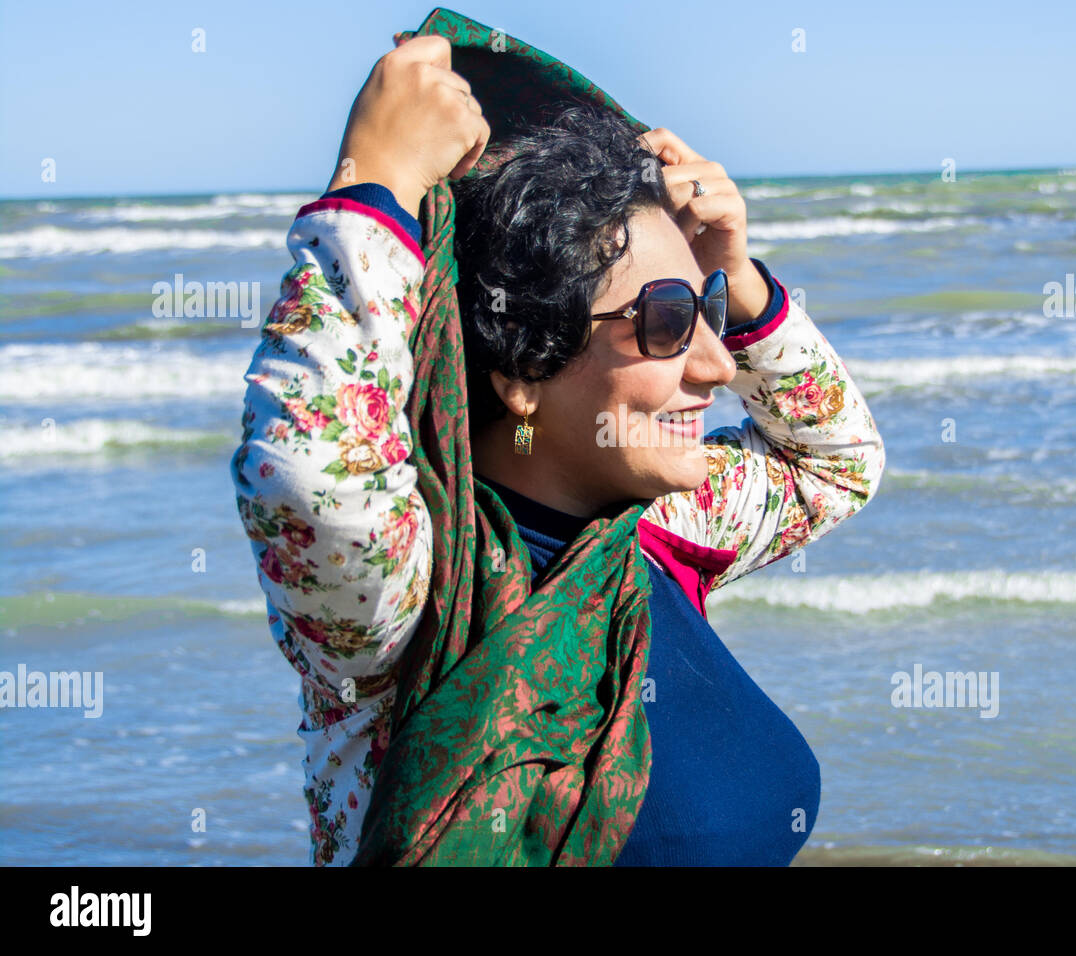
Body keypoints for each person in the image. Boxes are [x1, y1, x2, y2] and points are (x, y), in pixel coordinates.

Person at [231, 34, 885, 865]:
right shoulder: (406, 598)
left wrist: (736, 273)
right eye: (666, 322)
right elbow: (309, 477)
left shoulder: (656, 528)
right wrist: (375, 183)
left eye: (709, 312)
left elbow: (835, 462)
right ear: (522, 369)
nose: (719, 366)